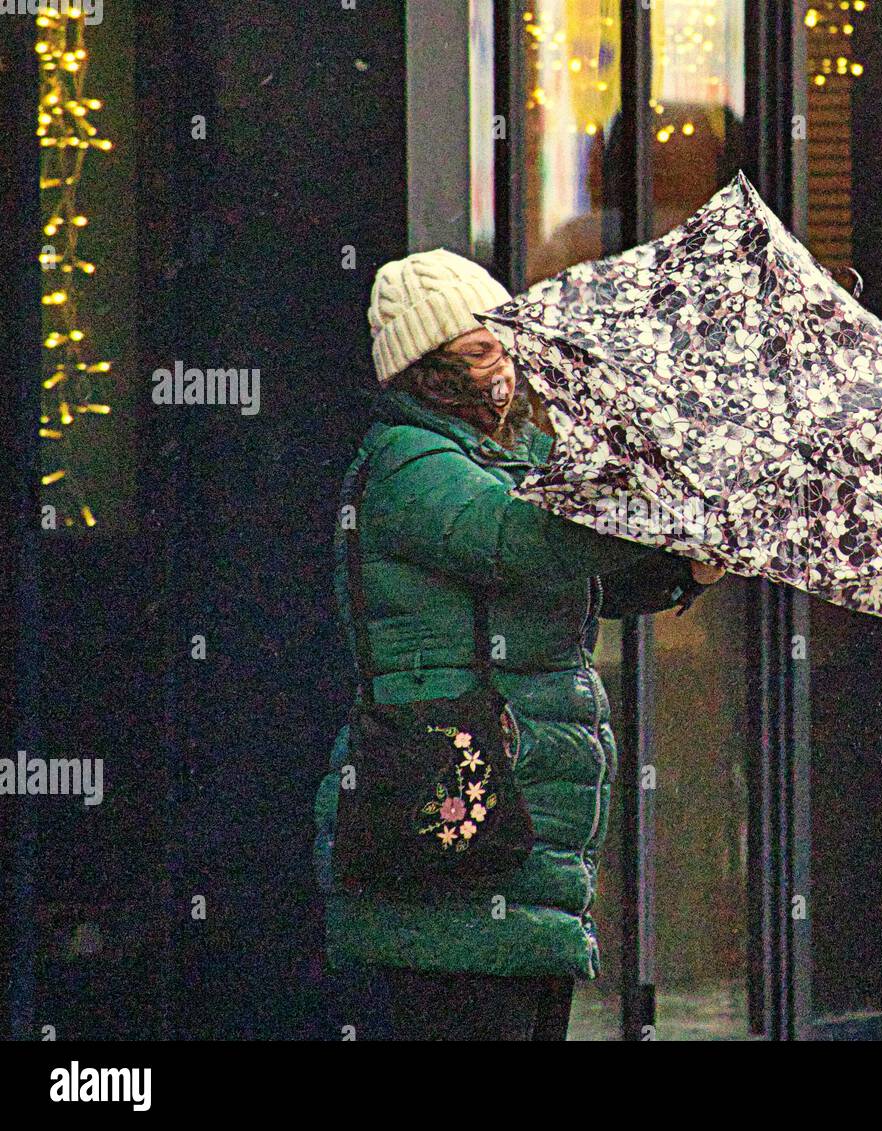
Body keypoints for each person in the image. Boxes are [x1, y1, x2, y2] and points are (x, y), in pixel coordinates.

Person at [314, 249, 723, 1040]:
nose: (502, 366)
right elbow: (524, 541)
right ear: (426, 368)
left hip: (527, 832)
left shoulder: (513, 456)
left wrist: (688, 564)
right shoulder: (409, 463)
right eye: (478, 351)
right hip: (458, 825)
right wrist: (637, 482)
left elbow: (589, 569)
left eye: (503, 344)